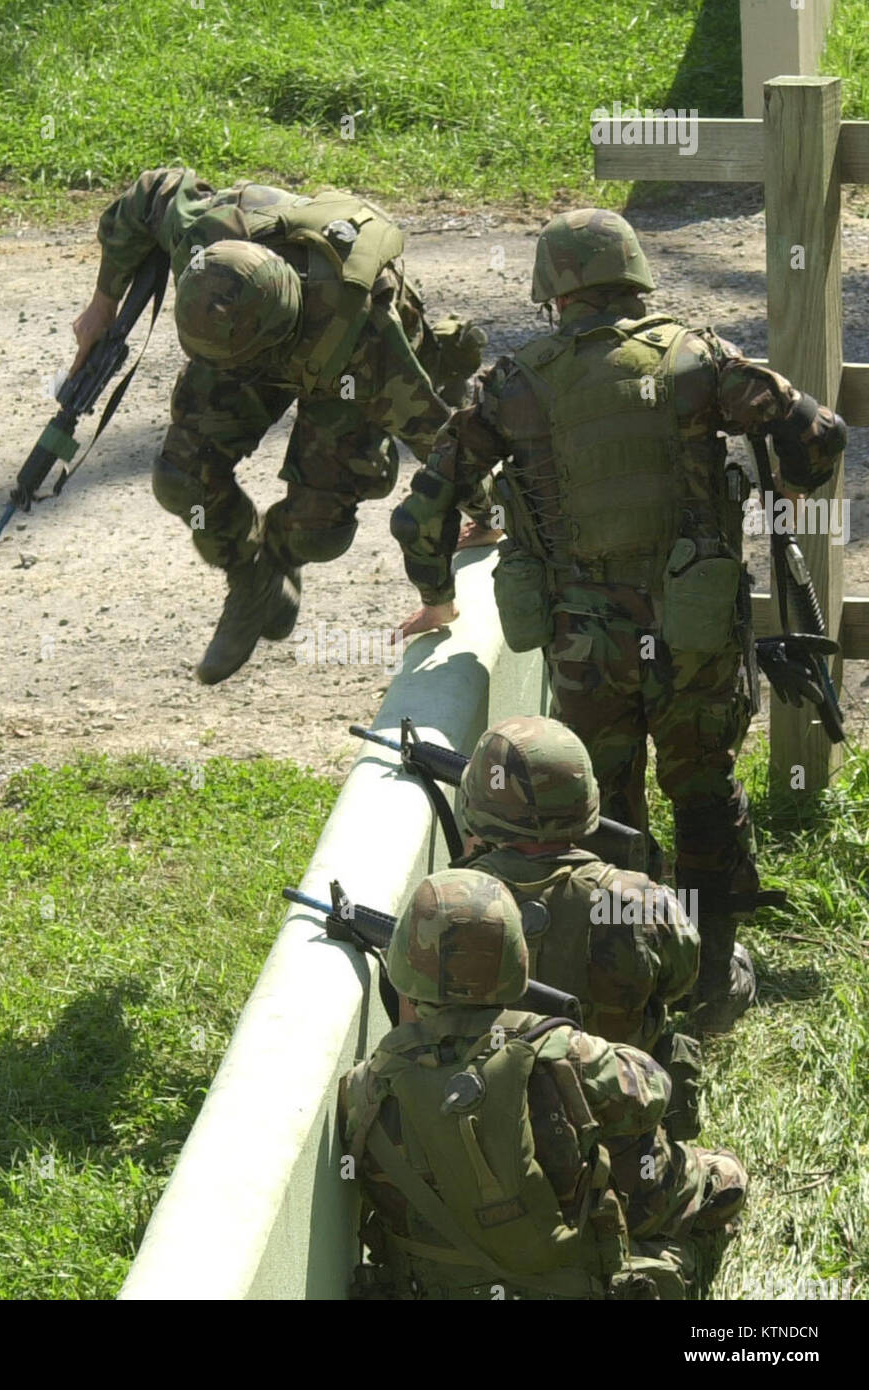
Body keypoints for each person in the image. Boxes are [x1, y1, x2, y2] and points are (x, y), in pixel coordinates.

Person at [390, 208, 847, 1033]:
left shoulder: (515, 384)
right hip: (697, 633)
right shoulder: (697, 360)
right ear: (636, 279)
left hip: (584, 645)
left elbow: (420, 514)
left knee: (606, 815)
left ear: (551, 293)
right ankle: (711, 977)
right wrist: (796, 484)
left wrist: (440, 595)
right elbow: (820, 433)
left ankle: (627, 989)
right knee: (705, 791)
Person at [70, 165, 488, 684]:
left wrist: (482, 527)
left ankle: (281, 554)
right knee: (182, 479)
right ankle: (253, 582)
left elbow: (440, 440)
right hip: (238, 339)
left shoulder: (364, 338)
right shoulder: (203, 236)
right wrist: (102, 304)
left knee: (321, 530)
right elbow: (150, 191)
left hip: (335, 366)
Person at [338, 869, 747, 1300]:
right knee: (724, 1175)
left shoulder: (362, 1089)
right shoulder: (561, 1051)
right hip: (563, 1283)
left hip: (433, 1289)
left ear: (402, 966)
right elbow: (653, 1091)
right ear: (516, 960)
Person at [457, 714, 705, 1133]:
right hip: (618, 1110)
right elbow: (682, 981)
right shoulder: (638, 900)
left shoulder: (455, 903)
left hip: (499, 1126)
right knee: (726, 1177)